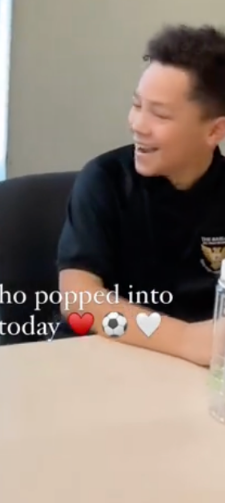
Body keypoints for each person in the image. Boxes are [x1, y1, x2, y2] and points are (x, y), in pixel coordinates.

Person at [55, 25, 225, 364]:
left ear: (215, 130)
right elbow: (78, 302)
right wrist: (186, 339)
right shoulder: (105, 181)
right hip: (100, 363)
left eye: (159, 114)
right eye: (137, 105)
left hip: (197, 376)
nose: (137, 124)